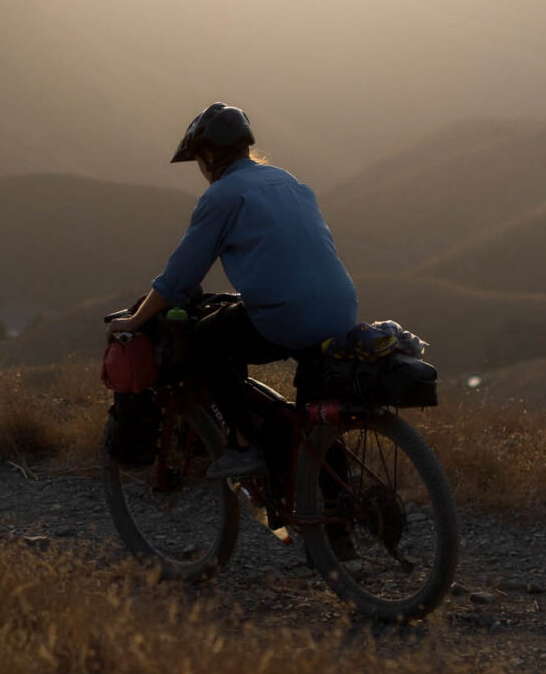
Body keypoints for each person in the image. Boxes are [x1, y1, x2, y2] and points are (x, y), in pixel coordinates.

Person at [104, 102, 358, 479]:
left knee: (205, 340)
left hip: (287, 315)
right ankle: (324, 502)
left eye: (199, 161)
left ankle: (242, 444)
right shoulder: (288, 181)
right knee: (306, 425)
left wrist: (138, 317)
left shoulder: (222, 196)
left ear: (207, 156)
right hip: (341, 311)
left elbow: (179, 279)